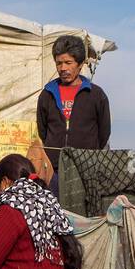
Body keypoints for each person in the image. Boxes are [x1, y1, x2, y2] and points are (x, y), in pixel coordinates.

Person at [36, 34, 111, 187]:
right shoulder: (47, 94)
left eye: (68, 62)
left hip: (87, 170)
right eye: (59, 63)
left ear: (80, 64)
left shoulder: (96, 95)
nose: (63, 68)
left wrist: (88, 155)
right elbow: (43, 131)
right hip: (54, 171)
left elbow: (104, 133)